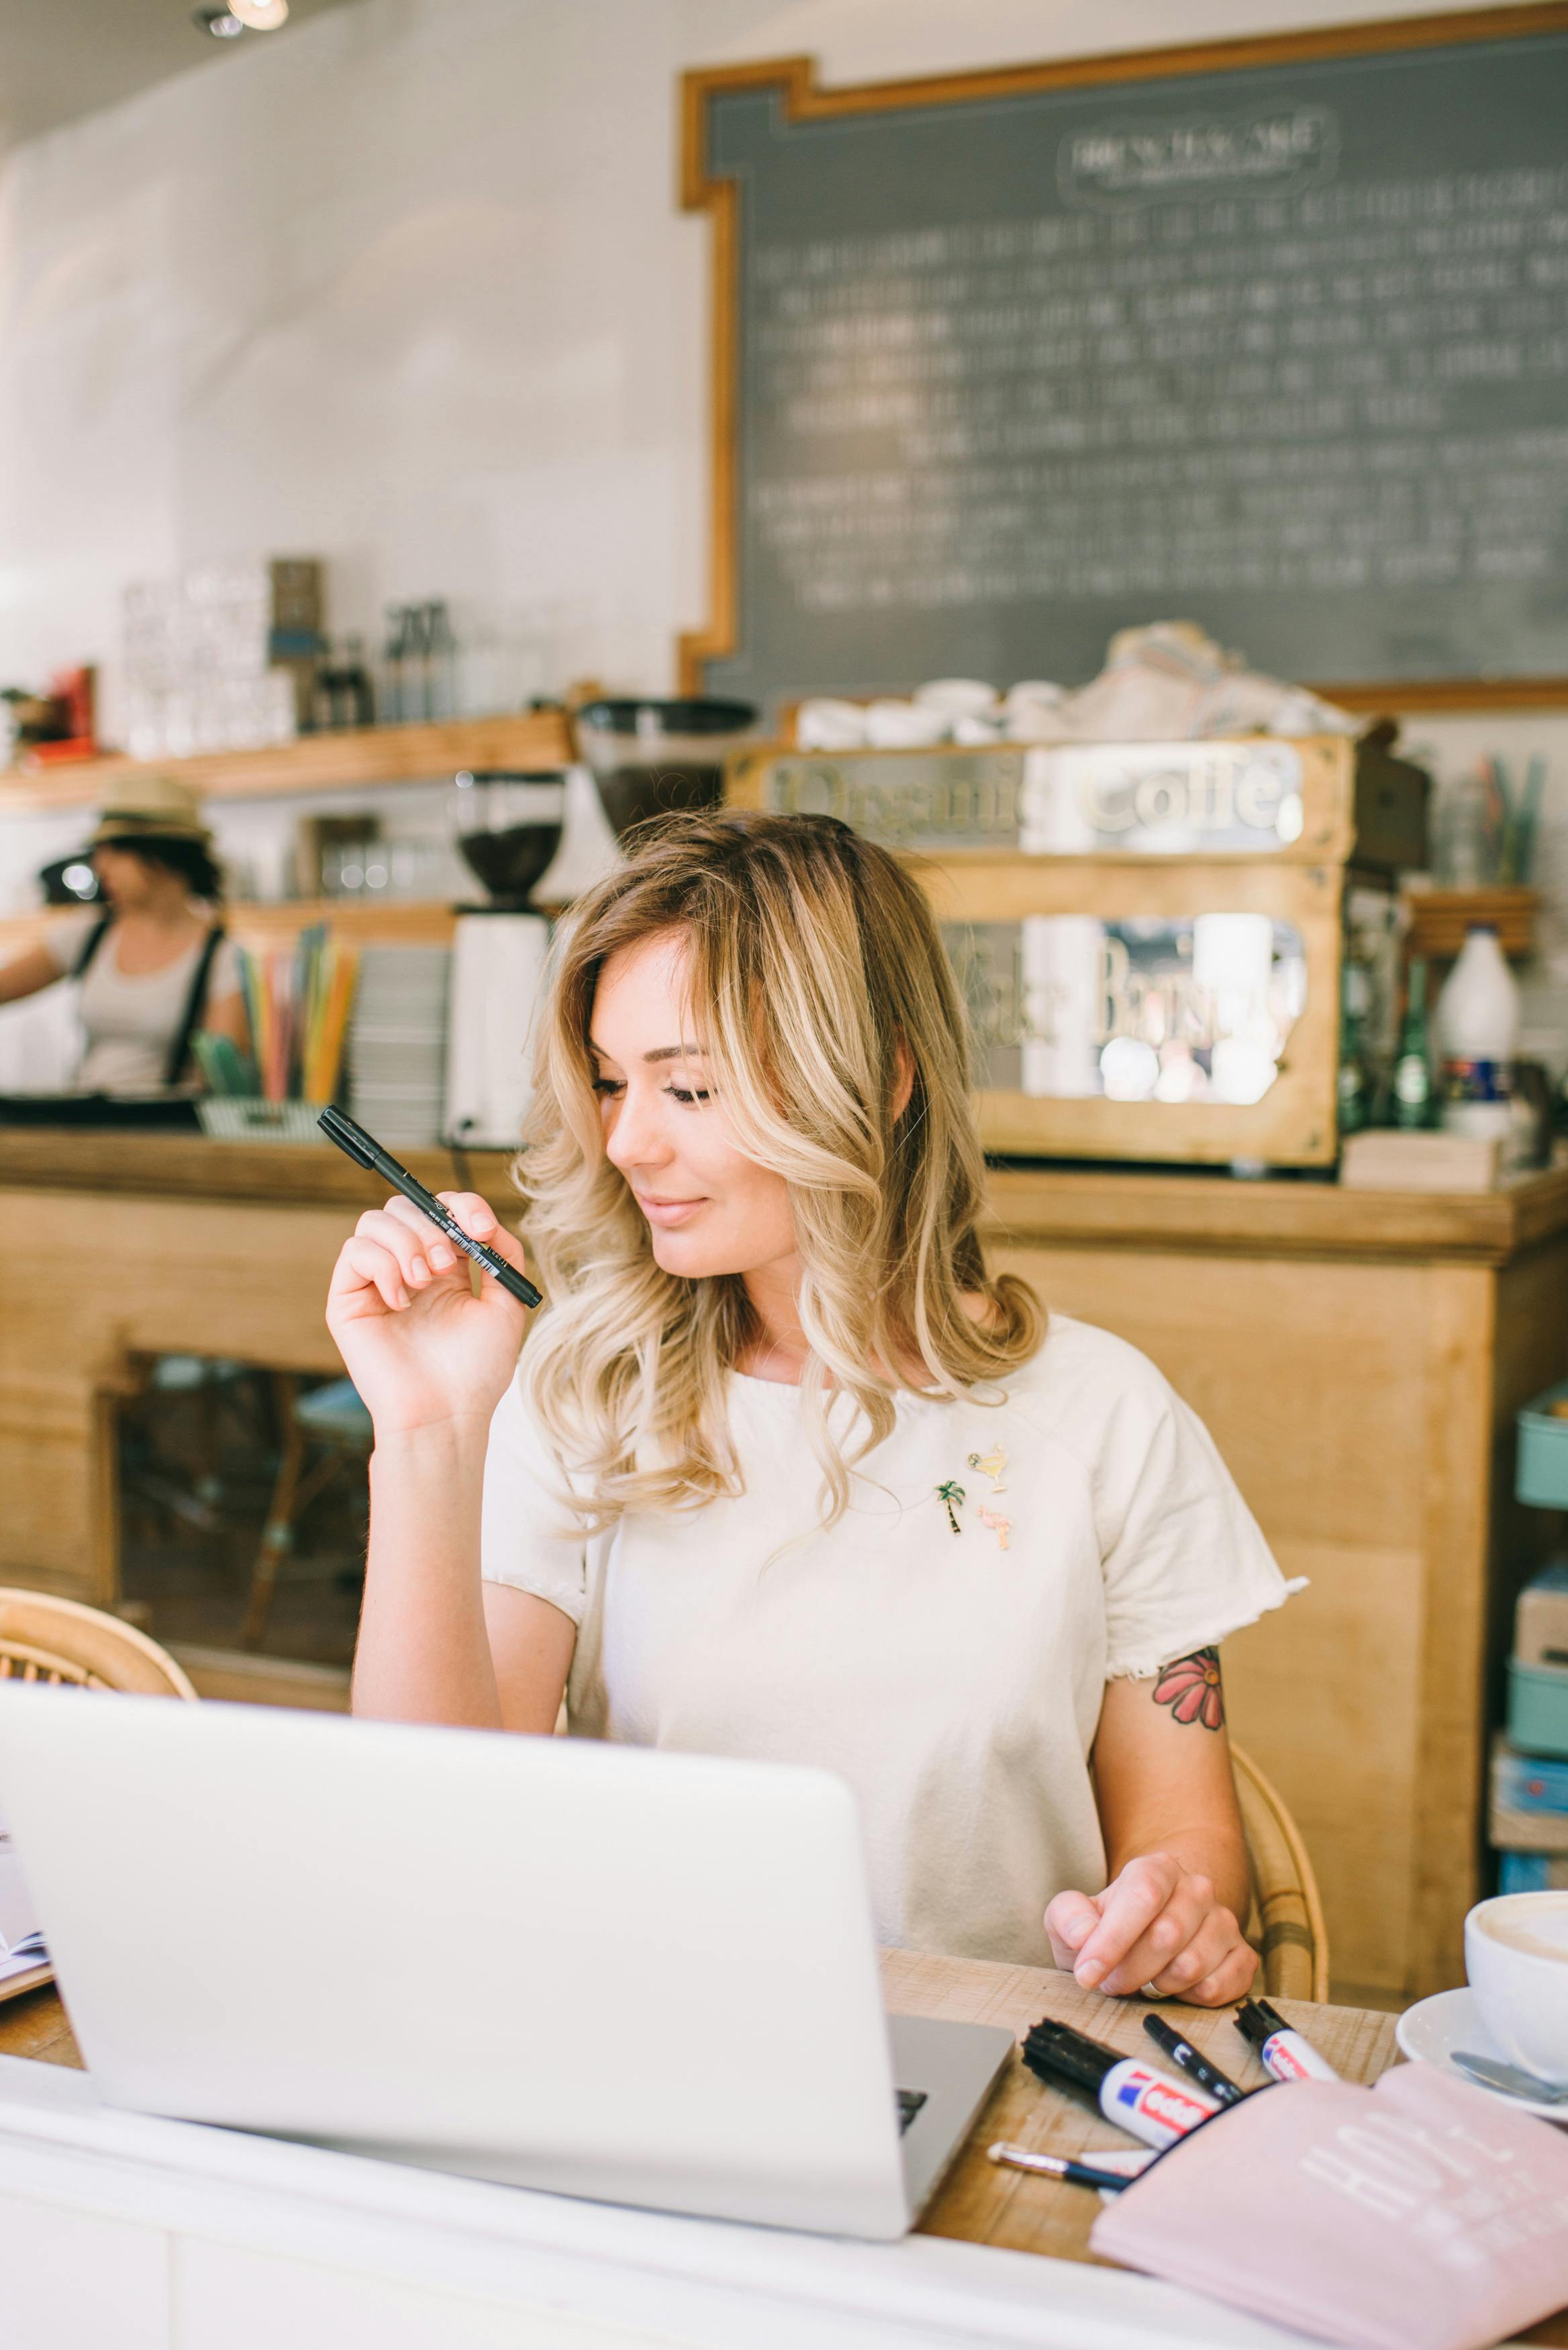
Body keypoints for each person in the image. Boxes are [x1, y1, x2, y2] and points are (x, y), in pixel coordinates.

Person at [328, 811, 1296, 2004]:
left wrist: (1176, 1915)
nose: (627, 1141)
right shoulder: (579, 1395)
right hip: (647, 2040)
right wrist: (425, 1430)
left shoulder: (1105, 1419)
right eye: (609, 1081)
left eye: (687, 1087)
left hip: (996, 2071)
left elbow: (1188, 1848)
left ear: (881, 1079)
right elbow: (436, 1829)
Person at [0, 775, 248, 1092]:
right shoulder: (88, 933)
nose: (100, 866)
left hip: (165, 1131)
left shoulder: (223, 958)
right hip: (82, 1120)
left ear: (163, 856)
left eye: (115, 851)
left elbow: (219, 1078)